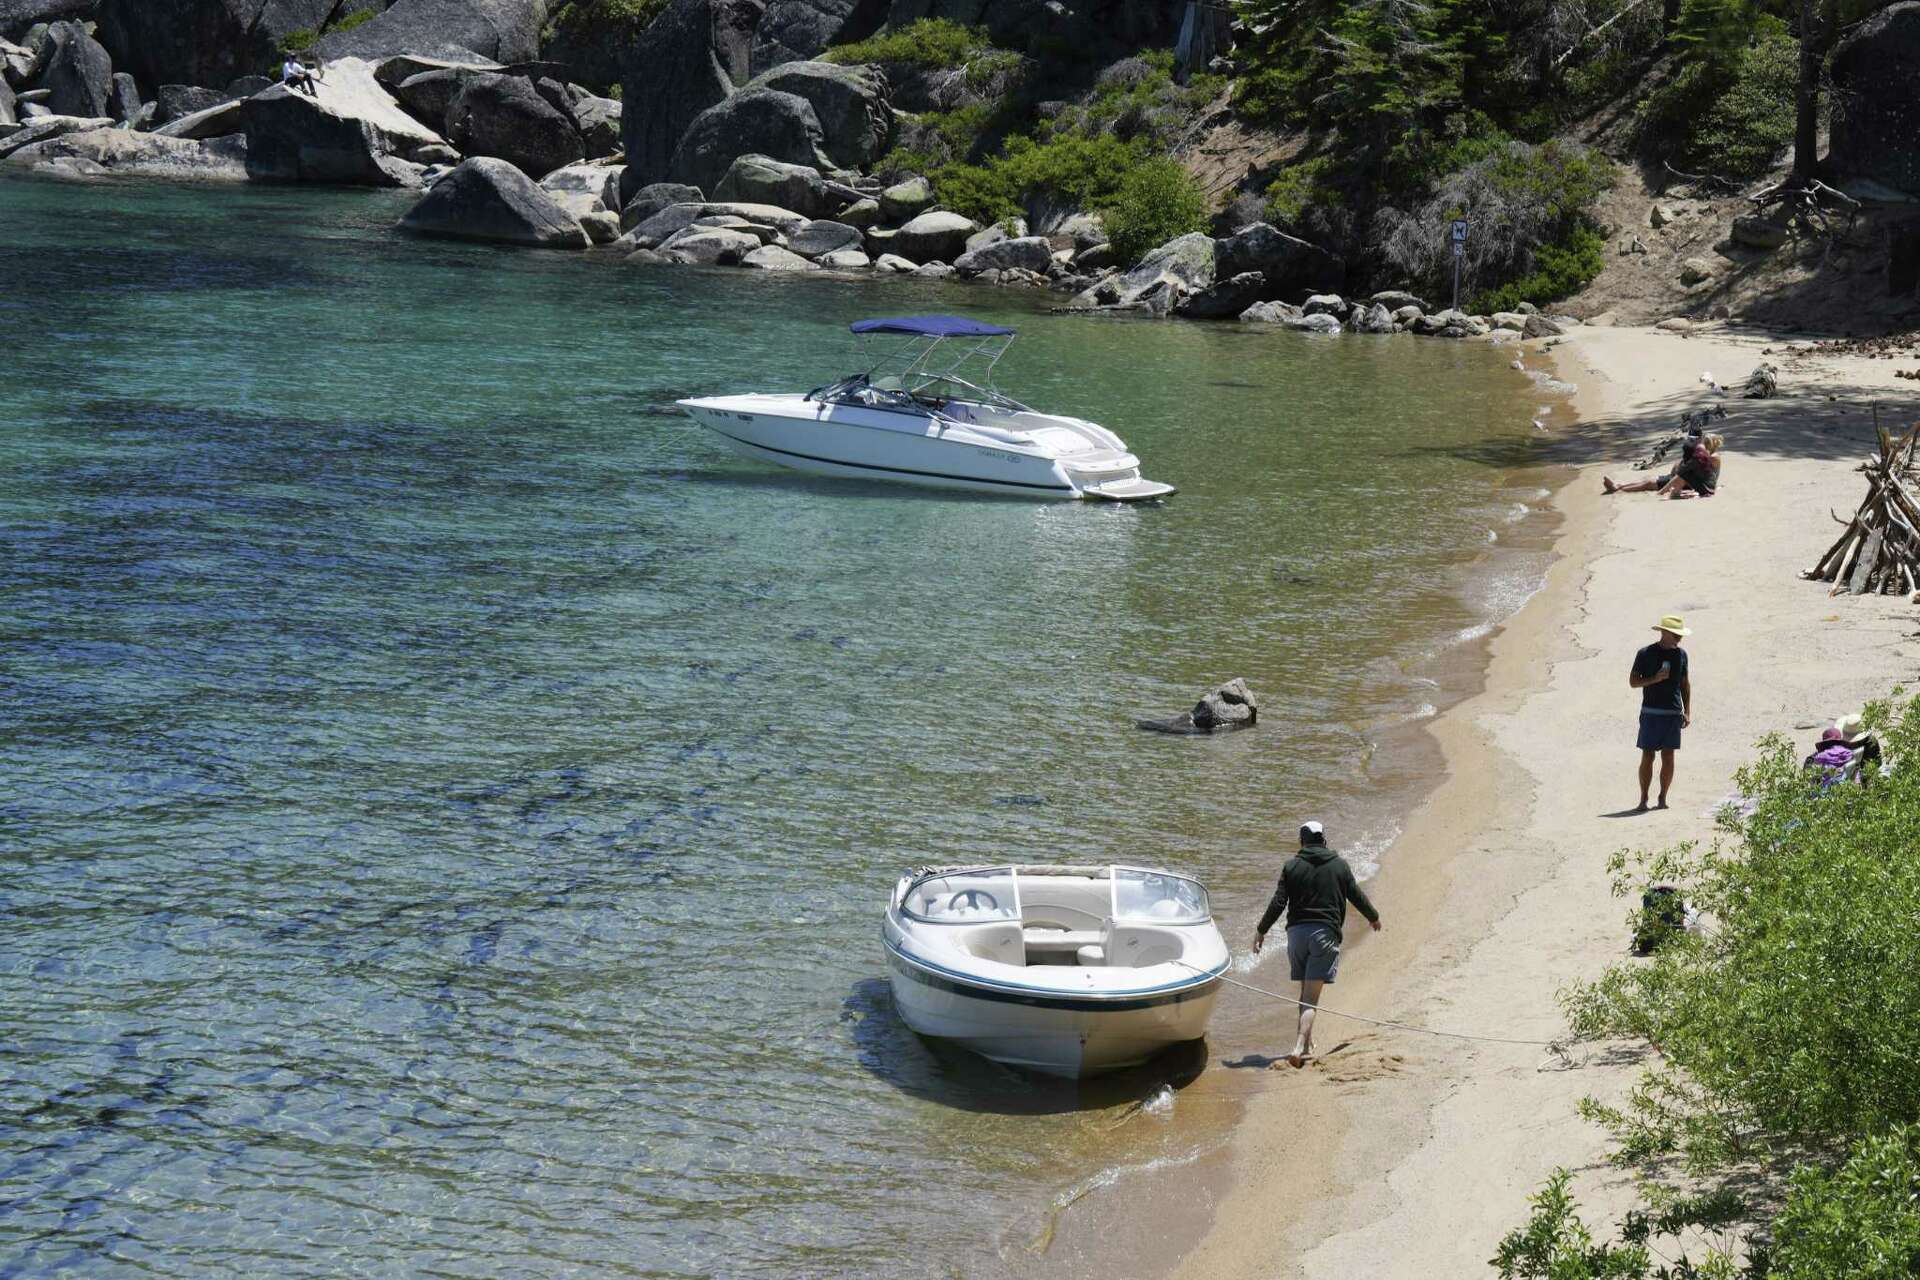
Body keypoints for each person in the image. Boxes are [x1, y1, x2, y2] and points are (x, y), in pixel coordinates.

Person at [1251, 821, 1382, 1068]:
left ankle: (1308, 1044)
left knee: (1305, 993)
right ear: (1323, 839)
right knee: (1311, 997)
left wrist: (1261, 931)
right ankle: (1299, 1046)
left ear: (1302, 841)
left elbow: (1278, 902)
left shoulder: (1291, 866)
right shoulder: (1339, 865)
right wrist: (1373, 917)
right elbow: (1355, 894)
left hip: (1296, 935)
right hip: (1324, 934)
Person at [1629, 615, 1693, 810]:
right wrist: (1654, 679)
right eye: (1676, 635)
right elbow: (1633, 682)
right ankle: (1643, 798)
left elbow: (1685, 683)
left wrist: (1687, 710)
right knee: (1647, 756)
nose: (1679, 639)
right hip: (1650, 712)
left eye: (1680, 635)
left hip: (1672, 713)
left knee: (1669, 756)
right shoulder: (1645, 653)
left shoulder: (1681, 655)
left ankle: (1662, 798)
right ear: (1663, 633)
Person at [1603, 433, 1722, 498]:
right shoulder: (1703, 456)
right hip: (1686, 479)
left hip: (1690, 483)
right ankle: (1619, 486)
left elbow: (1697, 468)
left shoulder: (1714, 457)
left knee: (1648, 484)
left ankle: (1619, 490)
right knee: (1648, 481)